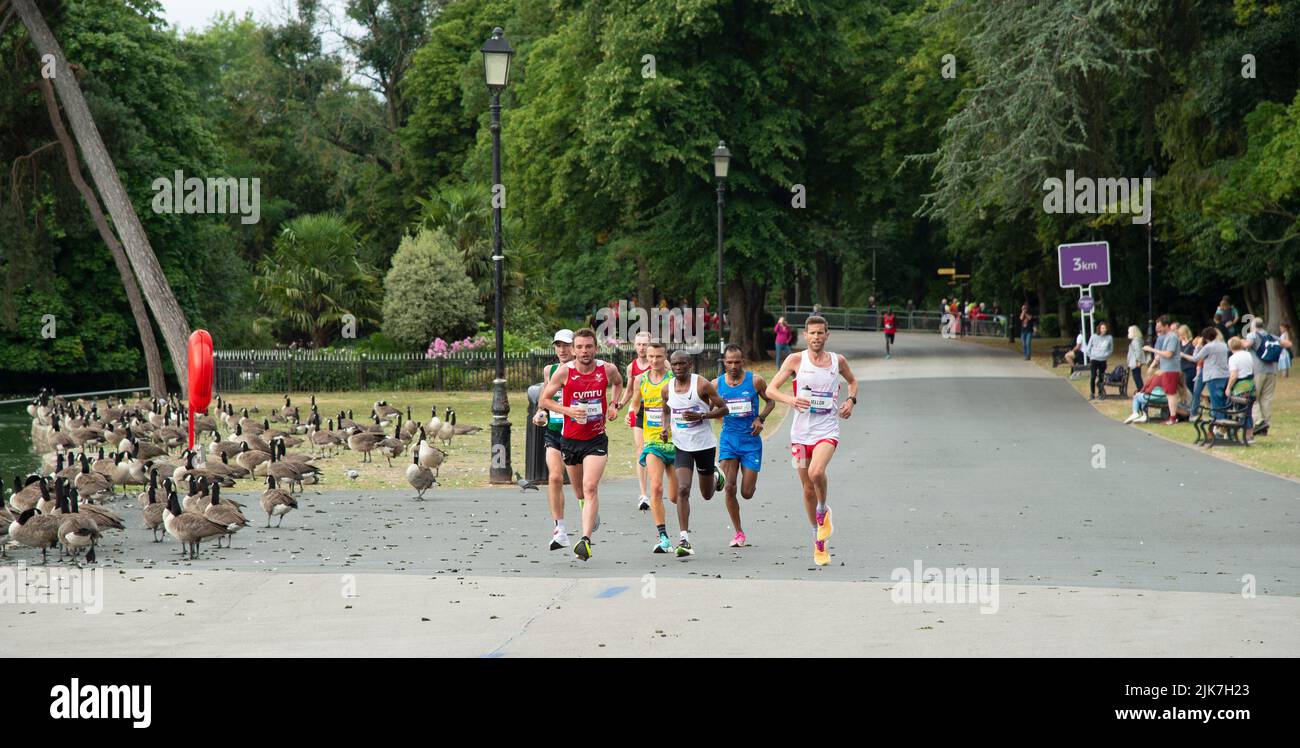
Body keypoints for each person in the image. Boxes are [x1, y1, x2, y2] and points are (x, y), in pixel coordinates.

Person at [765, 315, 859, 566]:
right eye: (812, 333)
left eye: (821, 333)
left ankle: (823, 509)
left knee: (817, 473)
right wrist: (791, 400)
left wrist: (850, 401)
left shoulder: (837, 361)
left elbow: (852, 381)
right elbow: (770, 390)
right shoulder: (795, 360)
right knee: (806, 488)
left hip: (826, 430)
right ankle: (818, 539)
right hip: (799, 434)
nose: (816, 337)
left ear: (827, 335)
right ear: (805, 336)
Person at [537, 328, 624, 561]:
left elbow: (618, 383)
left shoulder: (607, 369)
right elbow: (544, 399)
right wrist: (568, 411)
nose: (584, 351)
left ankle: (585, 540)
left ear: (596, 347)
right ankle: (588, 509)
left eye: (589, 346)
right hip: (570, 439)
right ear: (574, 350)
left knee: (590, 486)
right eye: (580, 347)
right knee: (579, 491)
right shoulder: (563, 373)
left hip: (596, 438)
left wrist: (615, 404)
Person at [660, 350, 729, 557]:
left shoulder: (702, 385)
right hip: (682, 445)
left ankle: (716, 474)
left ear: (690, 364)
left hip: (704, 444)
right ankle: (684, 538)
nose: (678, 368)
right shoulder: (667, 389)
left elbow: (724, 409)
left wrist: (702, 415)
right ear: (670, 366)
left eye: (682, 364)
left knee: (707, 494)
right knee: (682, 489)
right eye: (674, 365)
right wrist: (665, 428)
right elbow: (666, 410)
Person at [714, 345, 776, 548]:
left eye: (737, 362)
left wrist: (760, 418)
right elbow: (706, 406)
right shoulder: (717, 384)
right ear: (724, 362)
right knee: (729, 488)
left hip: (750, 441)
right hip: (729, 440)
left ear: (743, 361)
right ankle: (738, 532)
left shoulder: (755, 380)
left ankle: (748, 481)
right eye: (729, 362)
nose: (733, 366)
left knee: (746, 493)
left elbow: (770, 402)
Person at [623, 340, 680, 553]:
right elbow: (636, 403)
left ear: (665, 357)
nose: (654, 361)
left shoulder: (673, 379)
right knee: (655, 488)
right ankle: (663, 537)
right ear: (645, 357)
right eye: (650, 357)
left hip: (675, 441)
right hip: (653, 441)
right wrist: (630, 414)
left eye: (658, 357)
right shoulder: (641, 379)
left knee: (676, 496)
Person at [531, 329, 585, 551]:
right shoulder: (549, 370)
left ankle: (587, 509)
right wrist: (540, 413)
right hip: (554, 430)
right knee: (554, 477)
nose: (562, 350)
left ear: (574, 348)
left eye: (566, 345)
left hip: (577, 432)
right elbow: (545, 398)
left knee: (580, 487)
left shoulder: (583, 370)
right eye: (558, 346)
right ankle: (559, 529)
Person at [617, 331, 653, 510]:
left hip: (657, 411)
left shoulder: (661, 363)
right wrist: (621, 405)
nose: (641, 348)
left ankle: (657, 489)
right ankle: (643, 494)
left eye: (645, 344)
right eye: (638, 344)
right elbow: (629, 390)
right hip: (639, 410)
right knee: (640, 449)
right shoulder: (632, 367)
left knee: (656, 450)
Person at [1244, 317, 1292, 435]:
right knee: (1267, 399)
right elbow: (1288, 344)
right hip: (1271, 370)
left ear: (1253, 326)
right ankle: (1265, 425)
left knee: (1253, 397)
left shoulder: (1252, 335)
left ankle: (1259, 422)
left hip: (1258, 370)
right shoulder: (1271, 336)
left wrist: (1240, 342)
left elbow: (1248, 344)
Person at [1142, 316, 1183, 425]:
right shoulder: (1167, 337)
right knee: (1169, 393)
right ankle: (1172, 416)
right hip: (1166, 369)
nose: (1157, 329)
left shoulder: (1172, 337)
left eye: (1159, 327)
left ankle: (1173, 418)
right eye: (1157, 327)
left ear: (1166, 326)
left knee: (1171, 394)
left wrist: (1151, 349)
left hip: (1171, 369)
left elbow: (1169, 354)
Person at [1189, 327, 1230, 421]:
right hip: (1224, 374)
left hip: (1213, 375)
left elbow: (1195, 358)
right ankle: (1224, 419)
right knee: (1222, 400)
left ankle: (1218, 422)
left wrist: (1197, 347)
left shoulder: (1208, 347)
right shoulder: (1224, 345)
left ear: (1205, 337)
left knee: (1215, 400)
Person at [1225, 336, 1256, 443]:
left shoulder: (1233, 358)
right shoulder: (1248, 354)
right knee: (1249, 411)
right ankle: (1250, 434)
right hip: (1251, 384)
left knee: (1241, 411)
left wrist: (1228, 387)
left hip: (1241, 387)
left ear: (1230, 347)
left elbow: (1234, 375)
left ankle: (1242, 435)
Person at [1086, 323, 1113, 400]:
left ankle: (1100, 393)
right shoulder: (1094, 336)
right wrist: (1091, 356)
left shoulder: (1109, 337)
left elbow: (1111, 349)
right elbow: (1088, 348)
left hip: (1103, 359)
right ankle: (1092, 393)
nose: (1104, 330)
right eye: (1102, 328)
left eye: (1105, 328)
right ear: (1099, 329)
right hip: (1094, 359)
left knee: (1101, 377)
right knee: (1093, 376)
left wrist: (1106, 355)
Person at [1126, 325, 1148, 392]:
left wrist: (1138, 360)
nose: (1128, 333)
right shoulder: (1138, 340)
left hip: (1135, 361)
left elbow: (1137, 351)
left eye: (1129, 332)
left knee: (1136, 376)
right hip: (1135, 361)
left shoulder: (1135, 341)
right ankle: (1140, 389)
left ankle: (1141, 389)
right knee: (1137, 375)